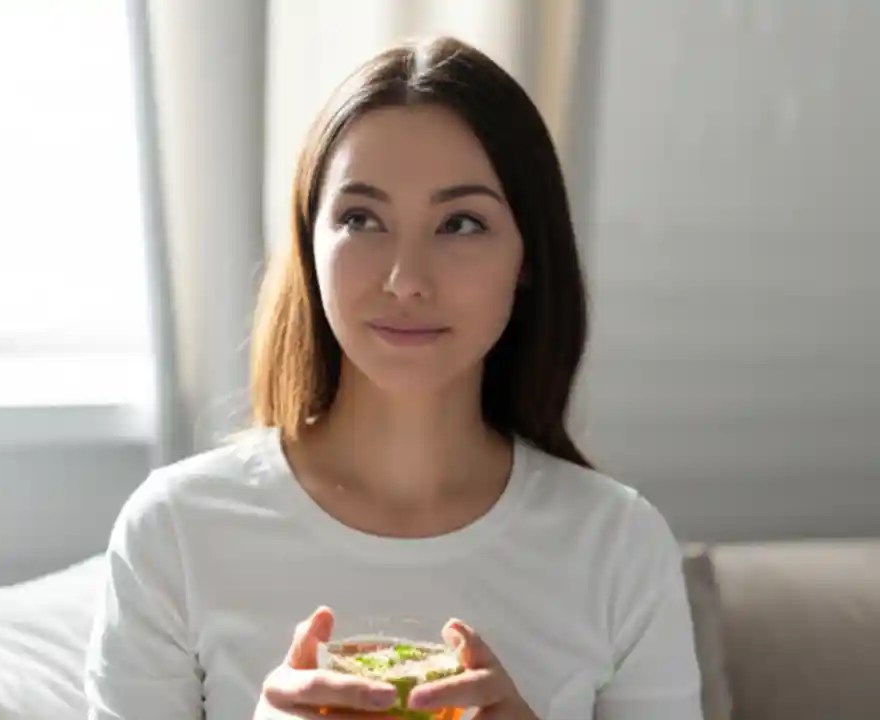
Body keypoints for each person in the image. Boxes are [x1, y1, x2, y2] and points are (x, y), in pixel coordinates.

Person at [85, 36, 702, 720]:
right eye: (361, 219)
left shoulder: (619, 547)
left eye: (460, 223)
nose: (406, 280)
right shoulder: (175, 533)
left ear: (529, 255)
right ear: (309, 243)